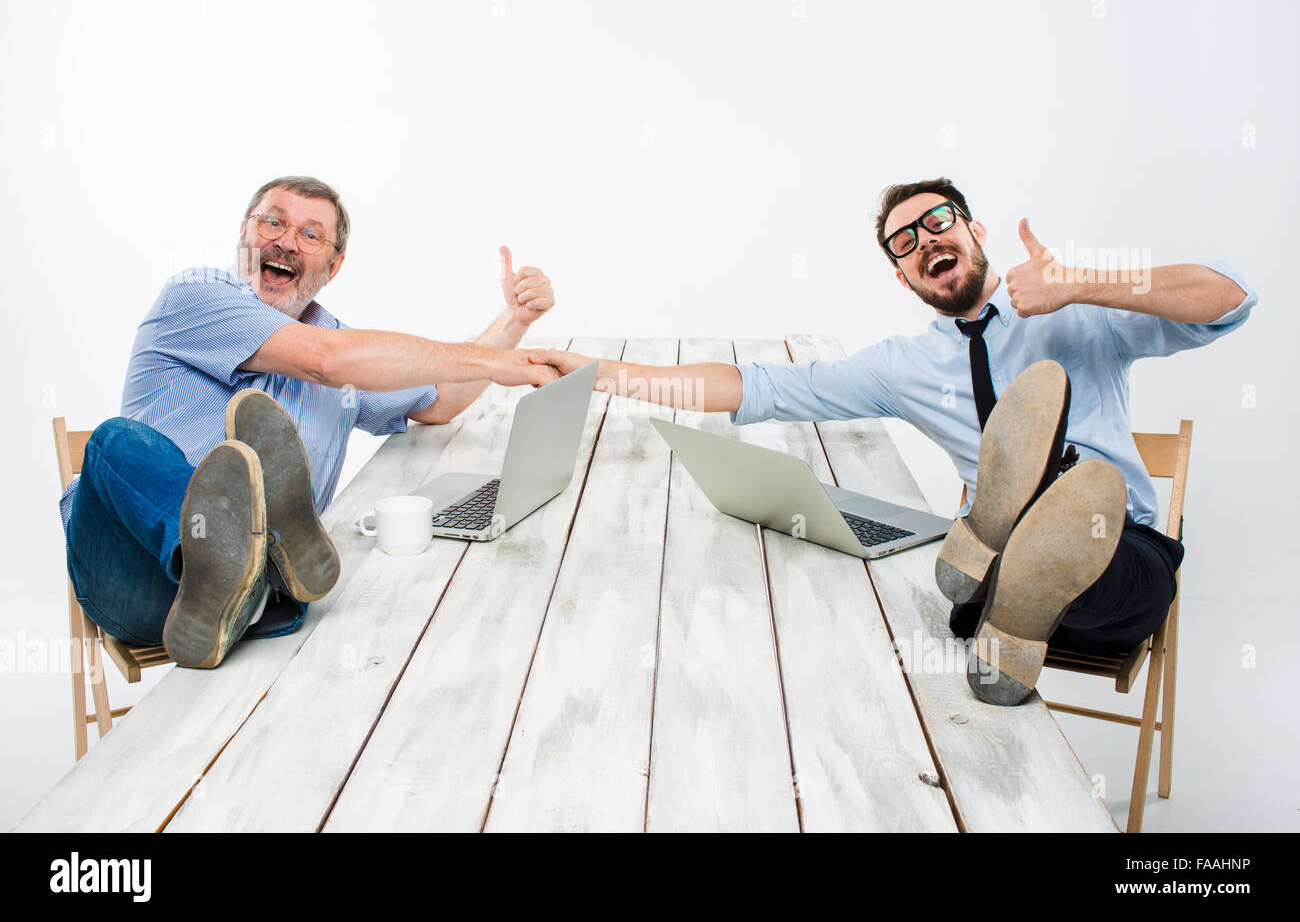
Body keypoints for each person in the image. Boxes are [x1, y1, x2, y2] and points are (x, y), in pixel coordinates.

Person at [528, 177, 1256, 705]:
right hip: (1004, 578)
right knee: (1005, 570)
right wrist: (606, 375)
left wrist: (1085, 281)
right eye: (903, 243)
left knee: (1085, 543)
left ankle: (1003, 542)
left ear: (975, 231)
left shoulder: (1078, 312)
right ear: (903, 275)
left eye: (938, 221)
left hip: (1116, 549)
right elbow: (761, 387)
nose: (924, 241)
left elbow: (1230, 298)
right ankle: (1004, 545)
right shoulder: (905, 366)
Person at [61, 175, 560, 668]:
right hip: (139, 576)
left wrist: (513, 321)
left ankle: (255, 585)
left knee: (272, 440)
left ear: (334, 265)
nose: (286, 241)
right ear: (243, 235)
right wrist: (491, 364)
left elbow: (440, 400)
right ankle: (234, 562)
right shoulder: (195, 296)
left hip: (249, 610)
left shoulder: (344, 348)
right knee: (112, 443)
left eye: (310, 234)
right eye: (272, 222)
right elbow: (327, 360)